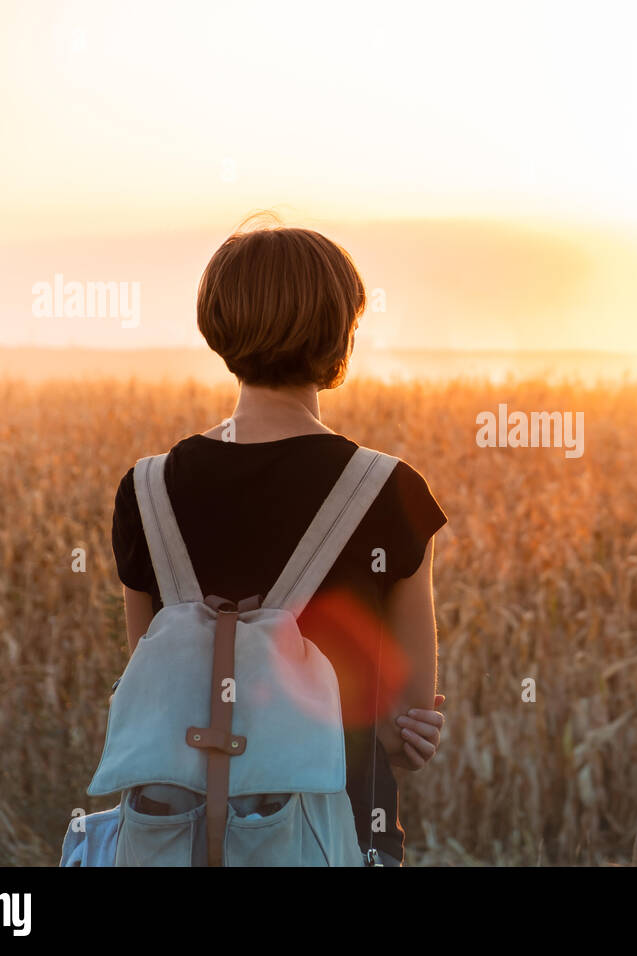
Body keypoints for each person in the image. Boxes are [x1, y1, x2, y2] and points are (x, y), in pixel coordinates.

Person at [110, 217, 447, 865]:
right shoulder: (389, 492)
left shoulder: (145, 491)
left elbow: (156, 696)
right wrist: (411, 733)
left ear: (219, 326)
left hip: (177, 845)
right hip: (335, 838)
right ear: (341, 331)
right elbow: (404, 729)